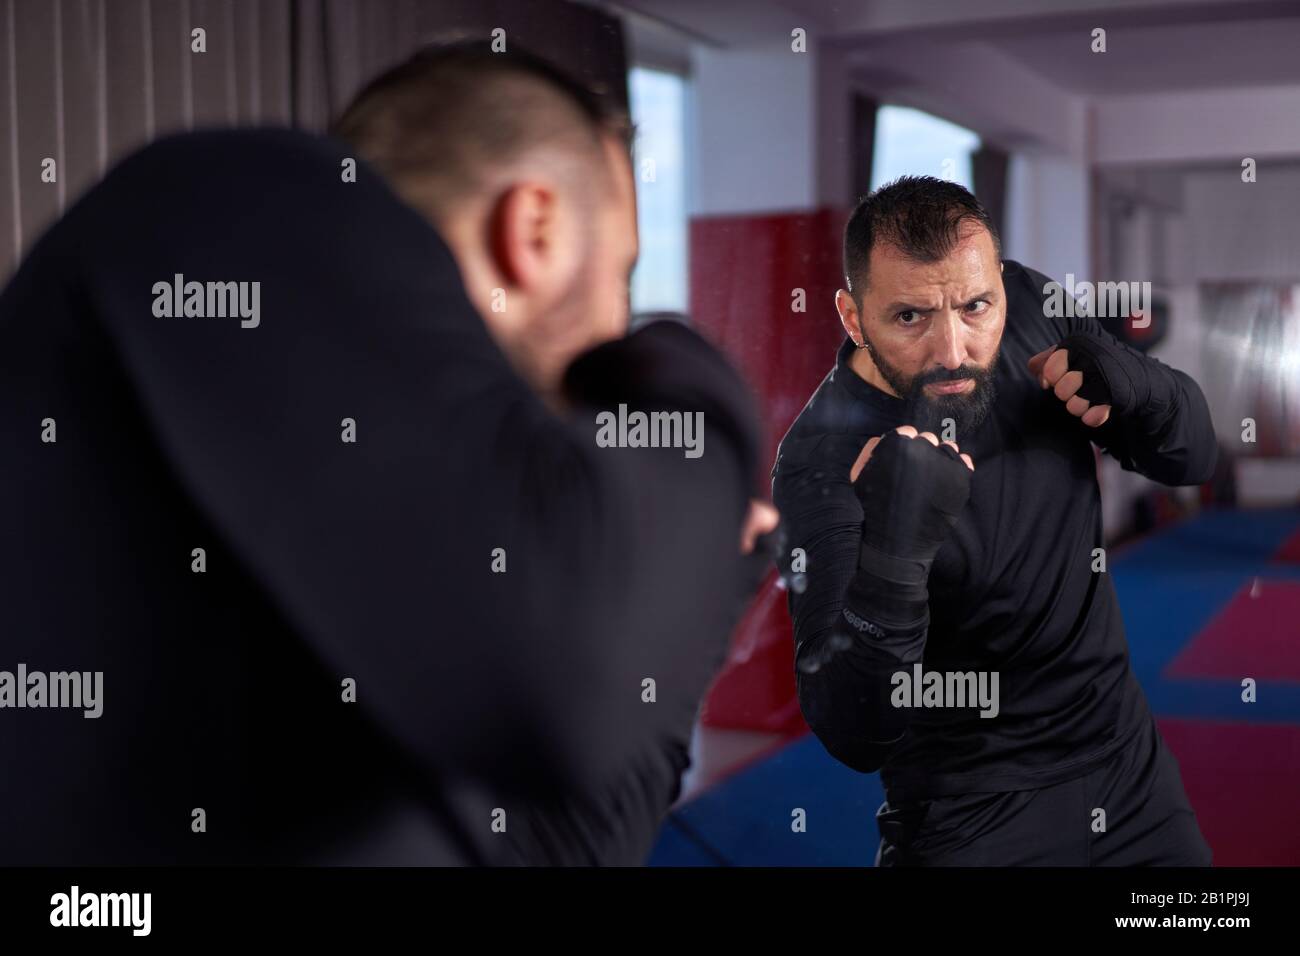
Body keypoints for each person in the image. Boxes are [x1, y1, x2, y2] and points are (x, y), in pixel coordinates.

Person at [0, 44, 772, 865]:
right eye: (620, 274)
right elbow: (569, 677)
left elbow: (563, 836)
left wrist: (715, 586)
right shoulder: (228, 191)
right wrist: (676, 363)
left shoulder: (397, 563)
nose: (614, 324)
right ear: (534, 230)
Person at [772, 176, 1217, 866]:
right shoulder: (823, 463)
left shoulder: (1034, 306)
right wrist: (893, 555)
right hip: (970, 814)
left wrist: (1140, 388)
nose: (953, 350)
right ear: (854, 317)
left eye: (977, 306)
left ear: (1001, 287)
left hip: (1128, 772)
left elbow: (1195, 456)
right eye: (911, 317)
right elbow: (851, 731)